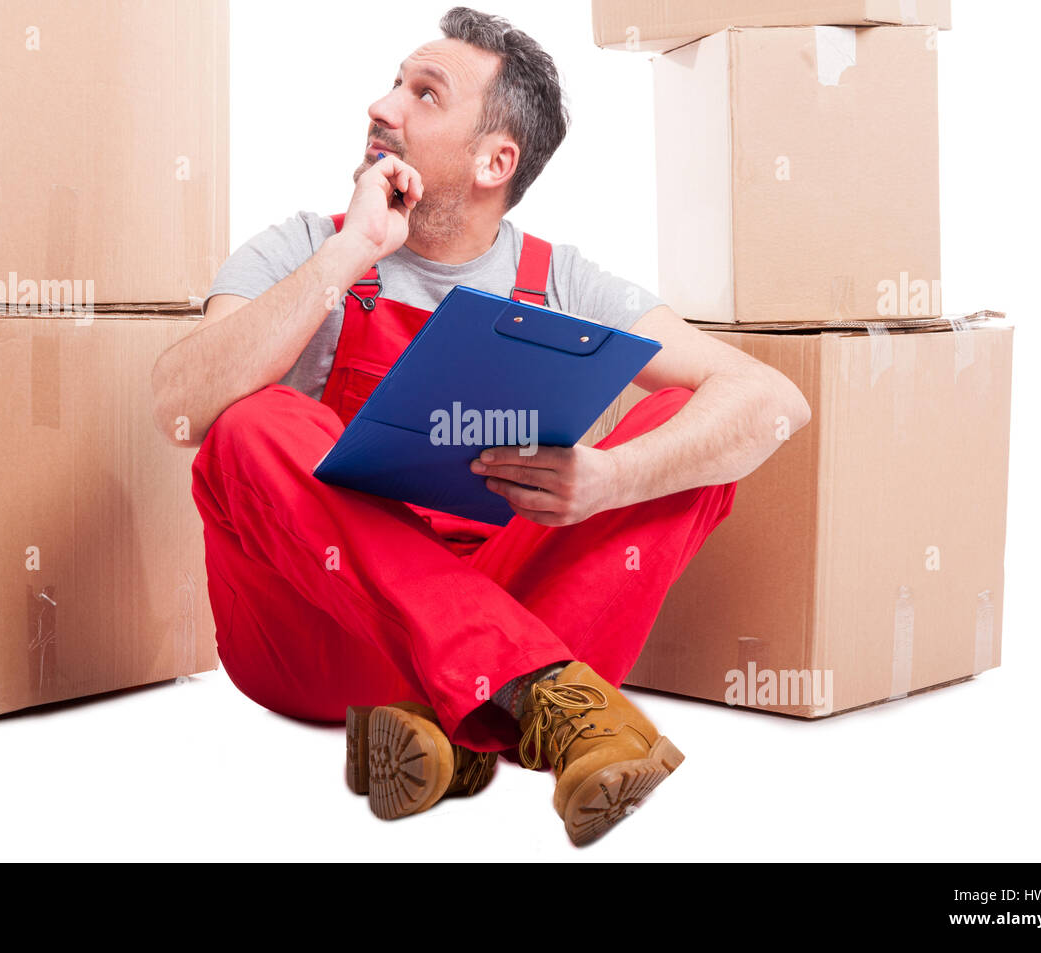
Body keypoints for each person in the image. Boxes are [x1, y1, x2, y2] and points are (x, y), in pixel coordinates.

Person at [151, 7, 811, 847]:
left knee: (691, 423)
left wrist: (614, 477)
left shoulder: (561, 278)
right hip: (321, 636)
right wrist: (350, 252)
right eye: (394, 83)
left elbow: (774, 402)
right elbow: (177, 406)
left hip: (494, 609)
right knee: (252, 424)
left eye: (424, 94)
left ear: (497, 160)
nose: (382, 106)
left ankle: (455, 724)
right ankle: (536, 700)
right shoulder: (306, 249)